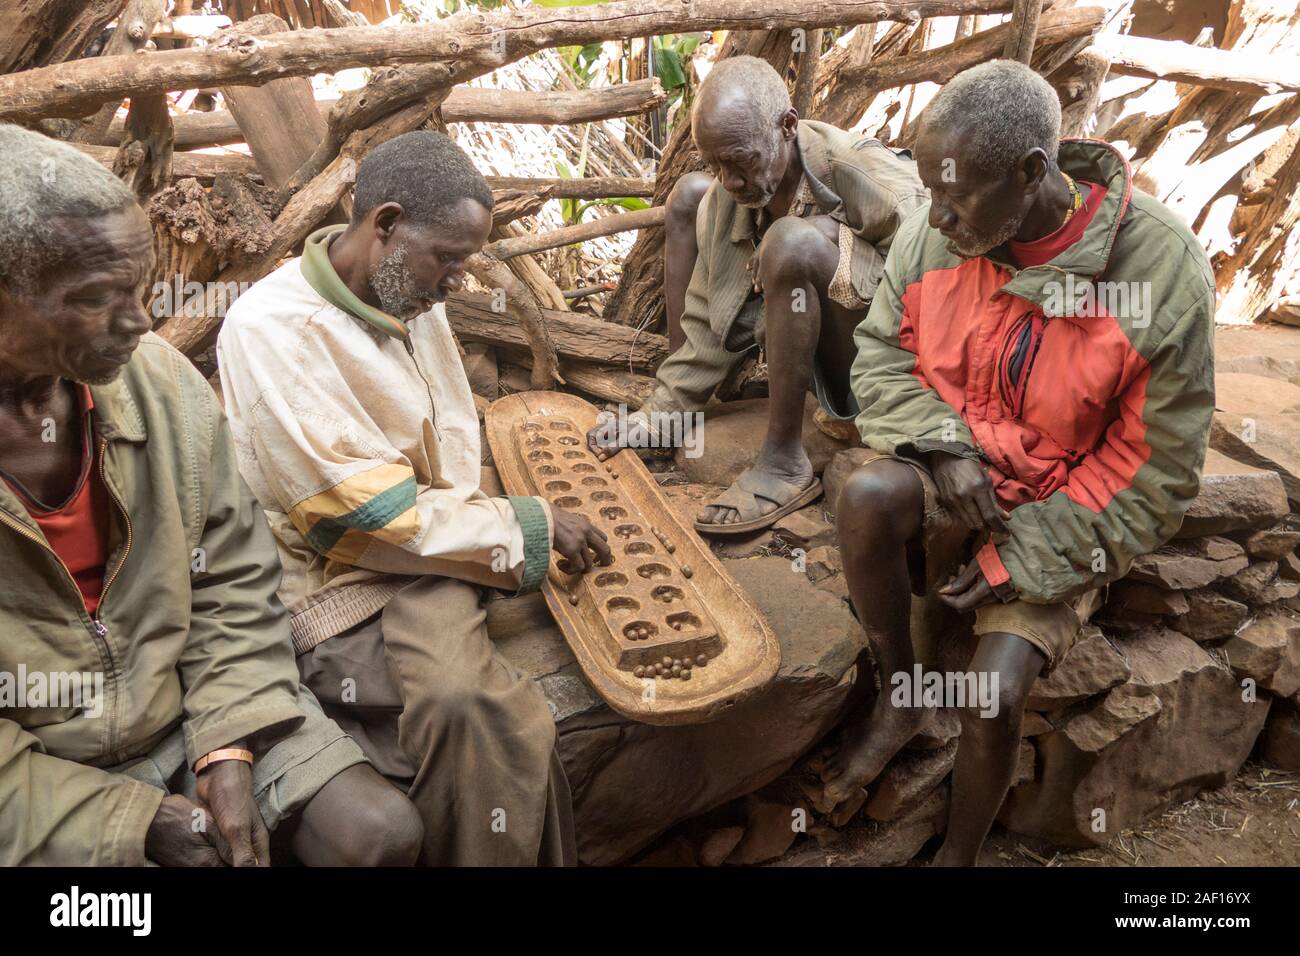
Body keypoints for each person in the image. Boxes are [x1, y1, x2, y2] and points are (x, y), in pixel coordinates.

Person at [0, 123, 423, 866]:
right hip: (37, 775)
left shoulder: (156, 385)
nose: (139, 323)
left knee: (380, 837)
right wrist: (129, 823)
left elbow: (230, 576)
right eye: (97, 298)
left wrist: (226, 745)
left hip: (192, 709)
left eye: (141, 286)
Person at [826, 61, 1215, 865]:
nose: (935, 217)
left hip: (1059, 512)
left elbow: (1156, 471)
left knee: (994, 693)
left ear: (1033, 173)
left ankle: (960, 857)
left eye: (957, 197)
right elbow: (878, 357)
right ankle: (901, 697)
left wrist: (1022, 559)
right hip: (953, 477)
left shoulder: (1156, 269)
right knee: (866, 491)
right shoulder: (942, 227)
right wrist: (940, 443)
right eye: (929, 192)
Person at [218, 130, 612, 865]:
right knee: (481, 715)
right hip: (351, 576)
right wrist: (522, 527)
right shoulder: (273, 331)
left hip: (432, 544)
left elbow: (451, 442)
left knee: (495, 719)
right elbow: (360, 523)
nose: (460, 279)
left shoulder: (411, 293)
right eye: (451, 257)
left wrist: (494, 523)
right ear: (387, 224)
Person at [587, 55, 926, 535]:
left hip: (888, 367)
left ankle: (785, 460)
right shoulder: (732, 196)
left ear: (787, 125)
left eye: (742, 160)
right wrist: (663, 412)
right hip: (819, 362)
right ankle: (687, 412)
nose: (729, 180)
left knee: (792, 240)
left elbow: (941, 292)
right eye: (716, 164)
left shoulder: (866, 176)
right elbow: (709, 312)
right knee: (700, 199)